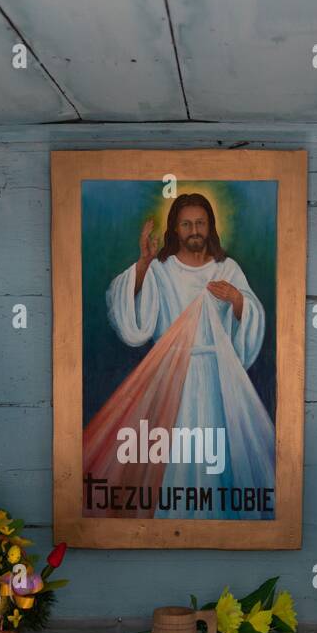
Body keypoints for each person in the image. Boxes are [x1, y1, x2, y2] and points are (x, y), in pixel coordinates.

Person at [92, 193, 275, 518]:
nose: (194, 230)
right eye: (187, 223)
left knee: (216, 454)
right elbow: (137, 326)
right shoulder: (161, 269)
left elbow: (253, 317)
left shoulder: (227, 268)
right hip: (170, 375)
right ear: (175, 229)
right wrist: (144, 264)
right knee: (174, 452)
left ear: (211, 227)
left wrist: (237, 300)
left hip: (217, 378)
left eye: (200, 223)